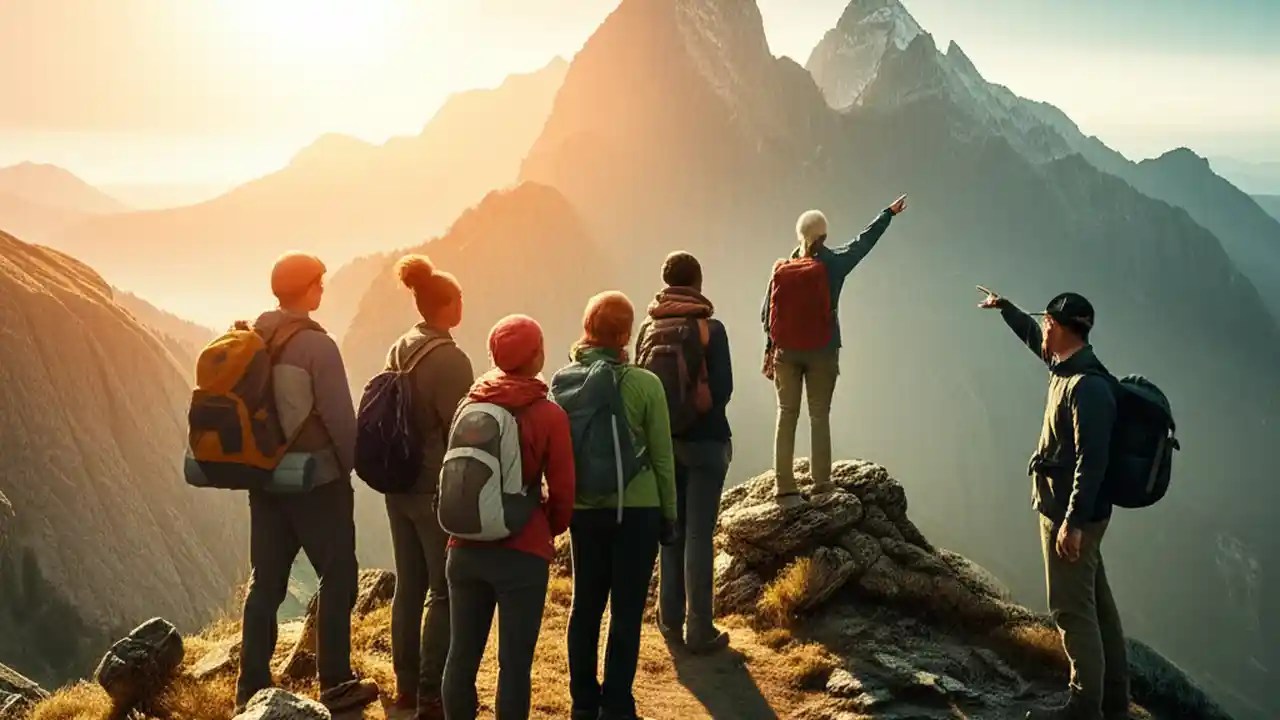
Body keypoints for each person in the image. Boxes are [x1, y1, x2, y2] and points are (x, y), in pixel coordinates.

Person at [236, 252, 379, 713]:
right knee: (338, 576)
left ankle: (252, 686)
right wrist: (352, 467)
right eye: (320, 282)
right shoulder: (319, 347)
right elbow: (339, 418)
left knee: (266, 584)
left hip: (264, 480)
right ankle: (335, 682)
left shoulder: (255, 335)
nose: (324, 289)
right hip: (317, 483)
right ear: (309, 289)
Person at [978, 288, 1129, 720]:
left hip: (1070, 515)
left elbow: (1092, 461)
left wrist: (1072, 523)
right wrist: (1005, 308)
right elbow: (1032, 338)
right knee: (1097, 608)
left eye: (1047, 323)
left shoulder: (1087, 387)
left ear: (1061, 329)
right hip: (1072, 512)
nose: (1042, 328)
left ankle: (1084, 709)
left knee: (1071, 611)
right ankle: (1114, 702)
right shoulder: (1067, 365)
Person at [440, 315, 576, 720]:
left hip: (463, 549)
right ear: (535, 356)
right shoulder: (548, 414)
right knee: (513, 665)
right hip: (522, 552)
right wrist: (544, 527)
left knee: (460, 657)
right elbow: (565, 493)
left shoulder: (470, 404)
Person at [556, 291, 677, 720]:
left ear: (587, 329)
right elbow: (662, 457)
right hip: (638, 510)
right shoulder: (646, 384)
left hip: (584, 510)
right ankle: (618, 705)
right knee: (626, 609)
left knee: (585, 605)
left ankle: (583, 703)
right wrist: (669, 516)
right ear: (626, 335)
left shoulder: (564, 383)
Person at [762, 195, 908, 507]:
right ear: (824, 236)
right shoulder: (834, 264)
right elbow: (862, 243)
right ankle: (821, 485)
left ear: (799, 235)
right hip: (822, 351)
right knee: (819, 416)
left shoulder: (783, 268)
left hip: (785, 353)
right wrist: (887, 214)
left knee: (786, 415)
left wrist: (771, 350)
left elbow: (767, 314)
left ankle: (784, 488)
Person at [382, 255, 475, 719]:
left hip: (395, 483)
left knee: (409, 586)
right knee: (443, 590)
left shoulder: (400, 346)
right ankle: (430, 694)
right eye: (460, 298)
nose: (464, 304)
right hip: (431, 487)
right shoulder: (451, 359)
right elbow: (464, 427)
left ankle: (403, 686)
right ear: (447, 305)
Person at [636, 252, 734, 654]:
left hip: (664, 444)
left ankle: (669, 619)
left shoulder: (647, 327)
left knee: (671, 530)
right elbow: (723, 390)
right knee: (698, 534)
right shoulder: (711, 328)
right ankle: (700, 628)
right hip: (707, 442)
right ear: (697, 283)